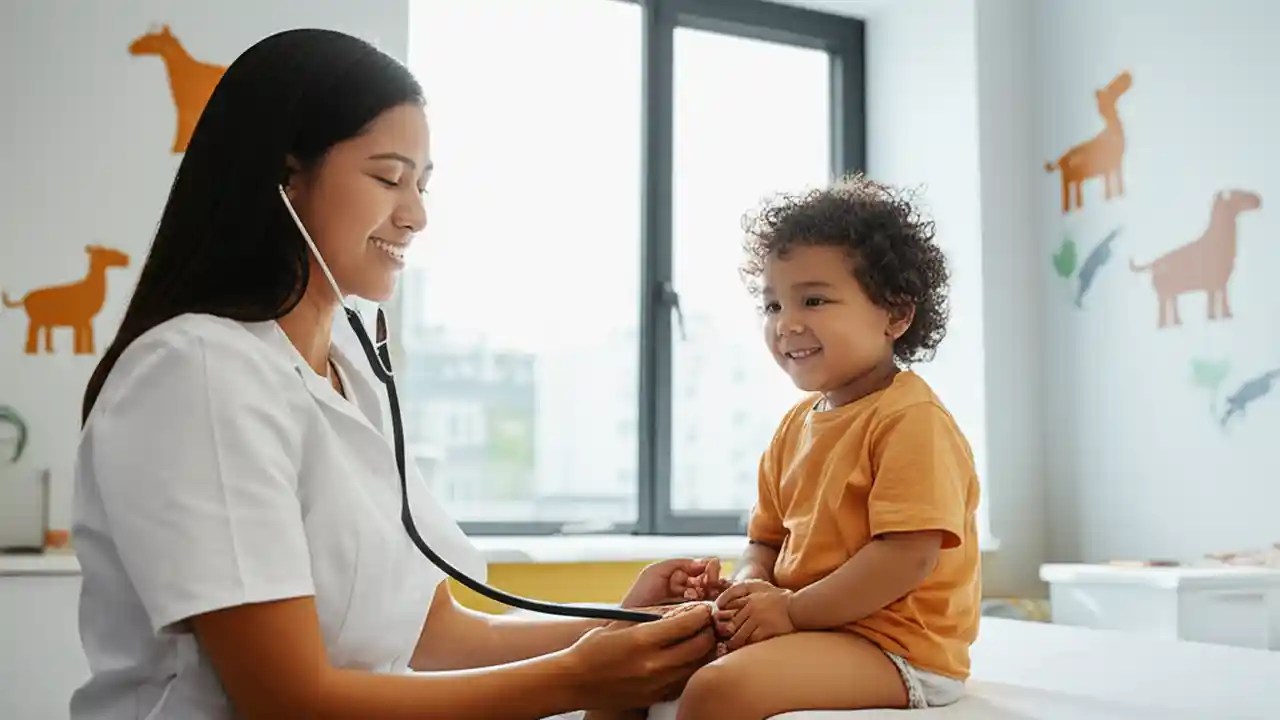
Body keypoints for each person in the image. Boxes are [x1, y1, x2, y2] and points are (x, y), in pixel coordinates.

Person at [69, 28, 723, 720]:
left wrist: (623, 626)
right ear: (285, 176)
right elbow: (286, 698)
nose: (414, 215)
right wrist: (577, 681)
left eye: (422, 183)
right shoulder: (197, 371)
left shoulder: (348, 367)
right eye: (388, 177)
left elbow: (436, 636)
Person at [592, 176, 983, 720]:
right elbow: (765, 543)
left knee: (719, 691)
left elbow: (906, 557)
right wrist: (746, 594)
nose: (787, 324)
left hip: (894, 646)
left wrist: (794, 611)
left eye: (814, 300)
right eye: (773, 305)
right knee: (633, 661)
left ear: (896, 314)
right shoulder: (794, 428)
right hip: (811, 625)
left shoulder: (911, 420)